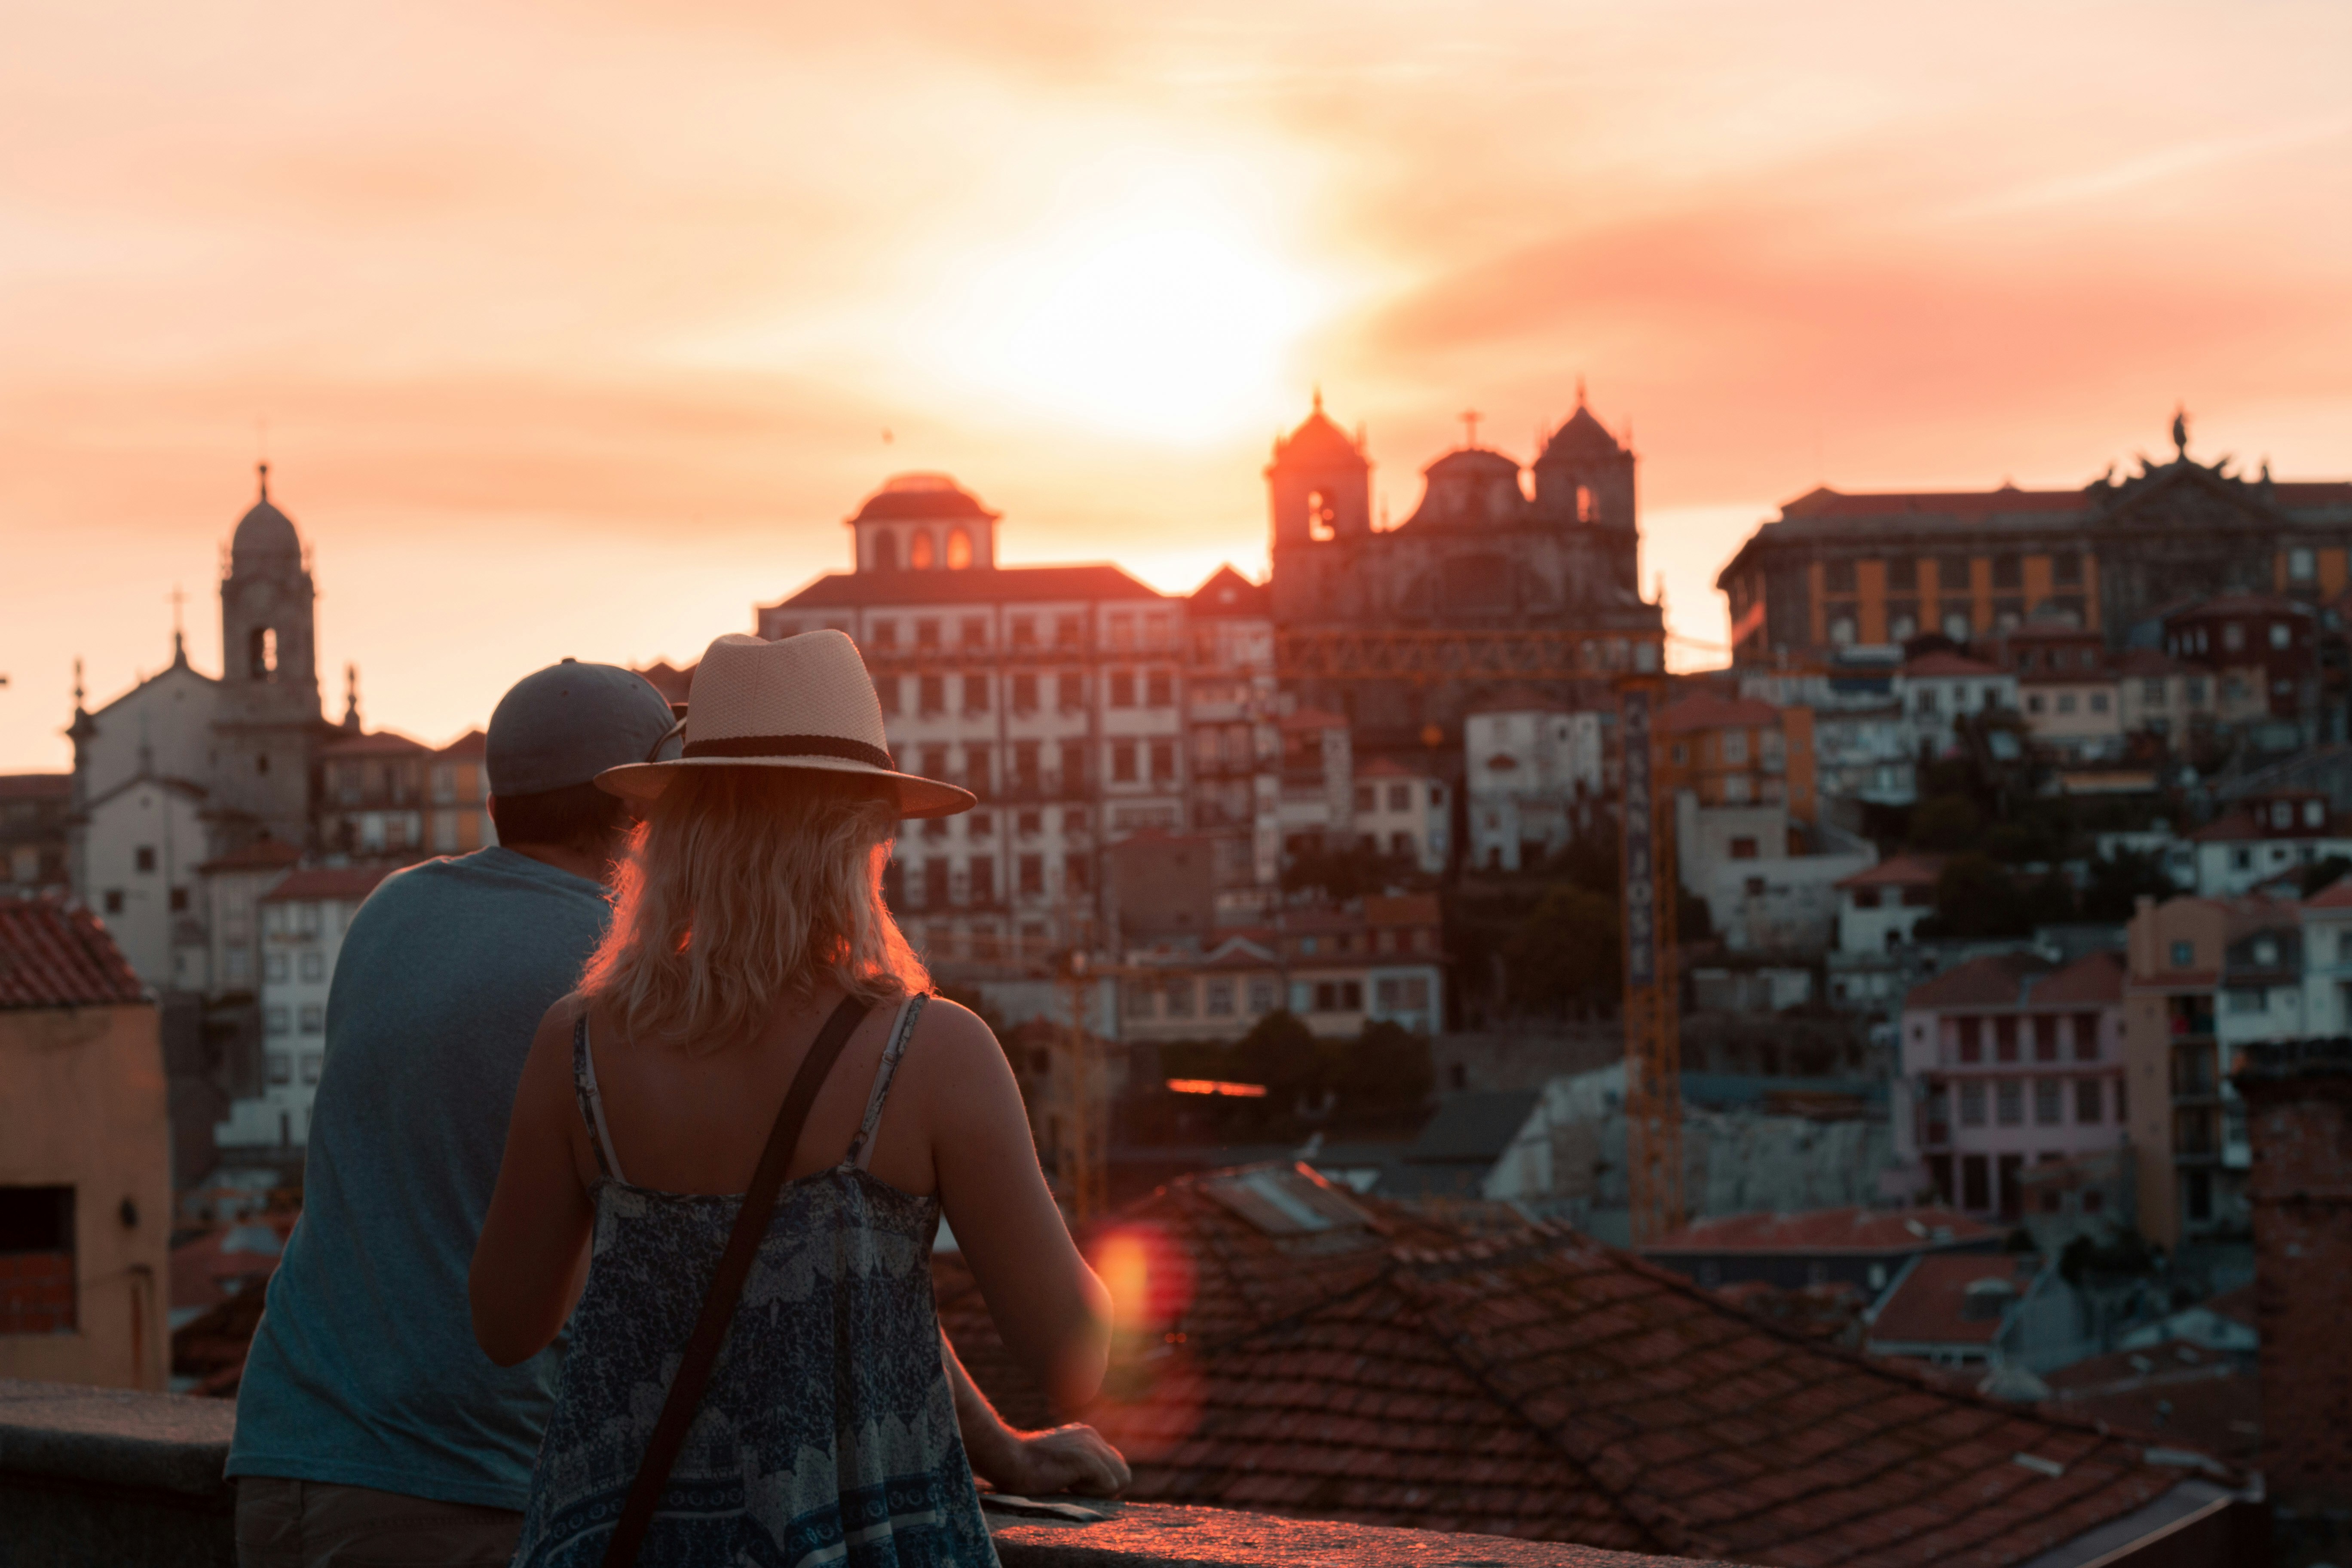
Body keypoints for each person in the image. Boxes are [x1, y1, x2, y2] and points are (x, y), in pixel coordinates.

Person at [230, 655, 1118, 1568]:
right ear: (862, 835)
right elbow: (1052, 1349)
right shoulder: (930, 1051)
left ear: (678, 825)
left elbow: (506, 1322)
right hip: (577, 1501)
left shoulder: (534, 1010)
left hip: (349, 1461)